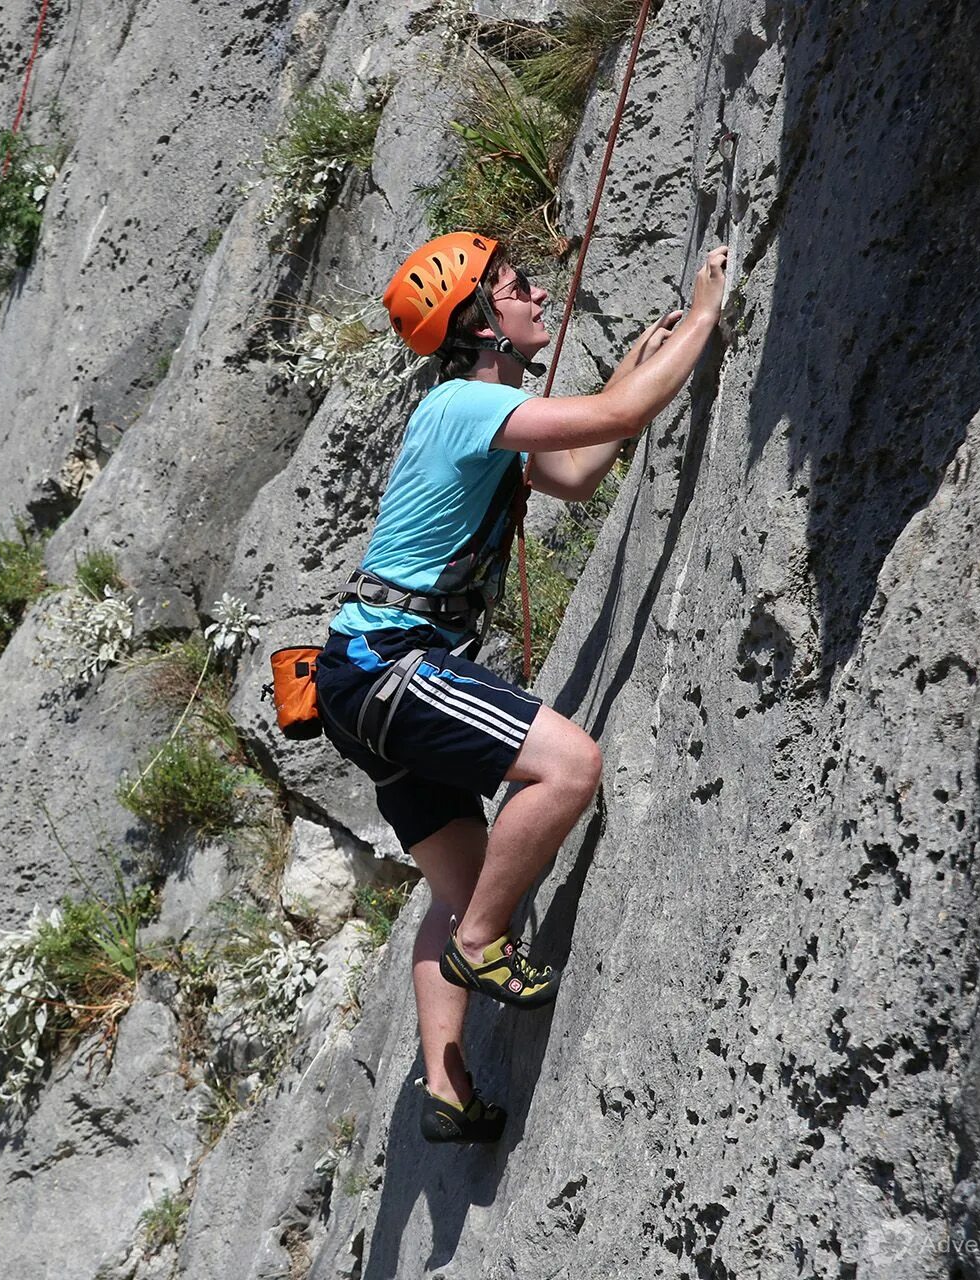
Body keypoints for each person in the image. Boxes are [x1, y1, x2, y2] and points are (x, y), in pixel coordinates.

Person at [315, 232, 728, 1143]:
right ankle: (479, 952)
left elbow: (578, 474)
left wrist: (627, 374)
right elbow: (616, 420)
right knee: (571, 768)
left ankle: (446, 1088)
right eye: (516, 287)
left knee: (461, 886)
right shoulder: (466, 405)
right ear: (480, 323)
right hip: (392, 662)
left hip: (361, 680)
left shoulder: (473, 416)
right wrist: (703, 315)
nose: (538, 295)